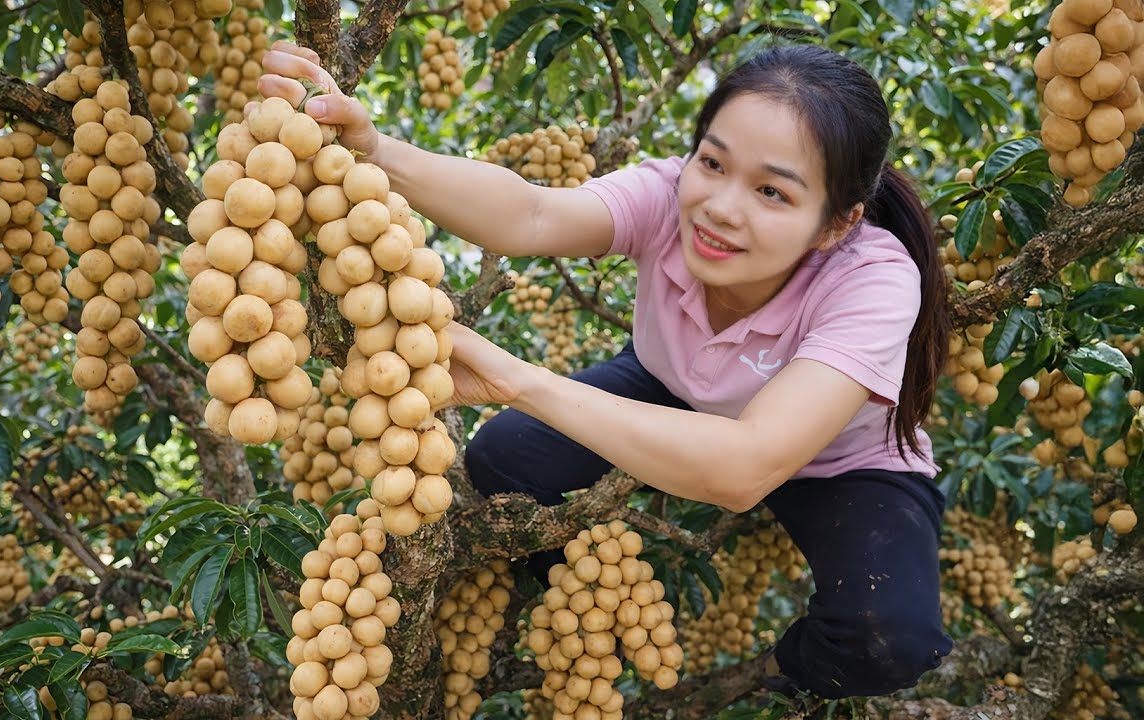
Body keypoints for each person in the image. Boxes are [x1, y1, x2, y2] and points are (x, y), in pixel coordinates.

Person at [259, 42, 954, 698]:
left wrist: (516, 379)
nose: (720, 206)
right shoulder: (665, 194)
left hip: (832, 458)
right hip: (671, 387)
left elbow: (747, 466)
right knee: (504, 460)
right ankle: (587, 596)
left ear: (838, 223)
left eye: (773, 193)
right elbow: (530, 214)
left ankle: (787, 679)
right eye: (711, 163)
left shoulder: (874, 278)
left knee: (884, 639)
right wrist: (376, 152)